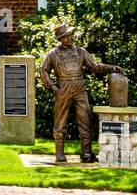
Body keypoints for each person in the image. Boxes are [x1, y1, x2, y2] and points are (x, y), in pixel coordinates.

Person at [39, 22, 123, 163]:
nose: (69, 38)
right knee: (60, 121)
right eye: (66, 36)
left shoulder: (81, 51)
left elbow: (95, 66)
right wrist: (53, 87)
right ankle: (59, 153)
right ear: (60, 39)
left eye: (70, 35)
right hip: (63, 87)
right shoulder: (53, 54)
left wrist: (111, 68)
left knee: (85, 120)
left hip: (79, 88)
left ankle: (87, 153)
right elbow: (43, 70)